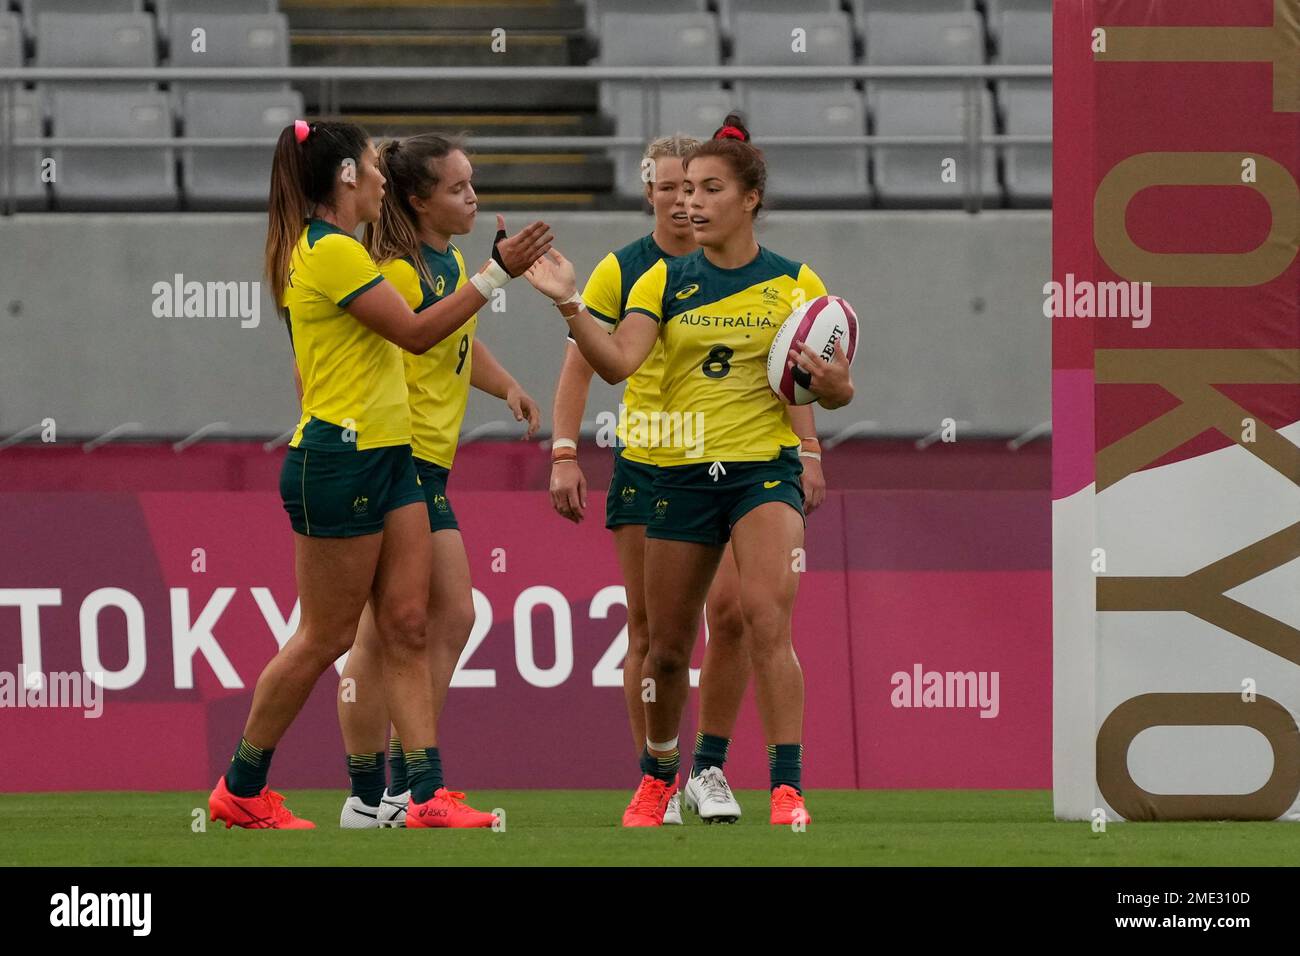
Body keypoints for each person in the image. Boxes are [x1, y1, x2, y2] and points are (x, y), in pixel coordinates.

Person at [207, 119, 551, 829]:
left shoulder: (350, 253)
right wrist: (499, 273)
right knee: (325, 637)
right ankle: (243, 786)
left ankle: (421, 797)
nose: (381, 176)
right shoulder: (332, 254)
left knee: (408, 625)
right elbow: (419, 333)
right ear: (344, 179)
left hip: (392, 459)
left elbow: (418, 340)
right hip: (340, 460)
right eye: (370, 164)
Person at [526, 113, 854, 827]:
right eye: (683, 191)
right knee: (666, 652)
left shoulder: (797, 284)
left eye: (708, 189)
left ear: (750, 199)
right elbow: (612, 363)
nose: (691, 203)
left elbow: (831, 386)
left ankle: (785, 787)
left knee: (760, 616)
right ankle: (658, 777)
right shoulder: (658, 278)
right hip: (671, 474)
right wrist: (568, 302)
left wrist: (827, 400)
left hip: (759, 474)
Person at [336, 133, 541, 829]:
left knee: (428, 621)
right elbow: (419, 333)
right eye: (457, 188)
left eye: (472, 182)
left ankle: (384, 795)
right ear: (419, 199)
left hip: (427, 467)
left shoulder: (448, 260)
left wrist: (504, 383)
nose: (472, 196)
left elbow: (454, 335)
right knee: (392, 630)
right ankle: (384, 794)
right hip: (394, 462)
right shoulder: (390, 271)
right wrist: (498, 275)